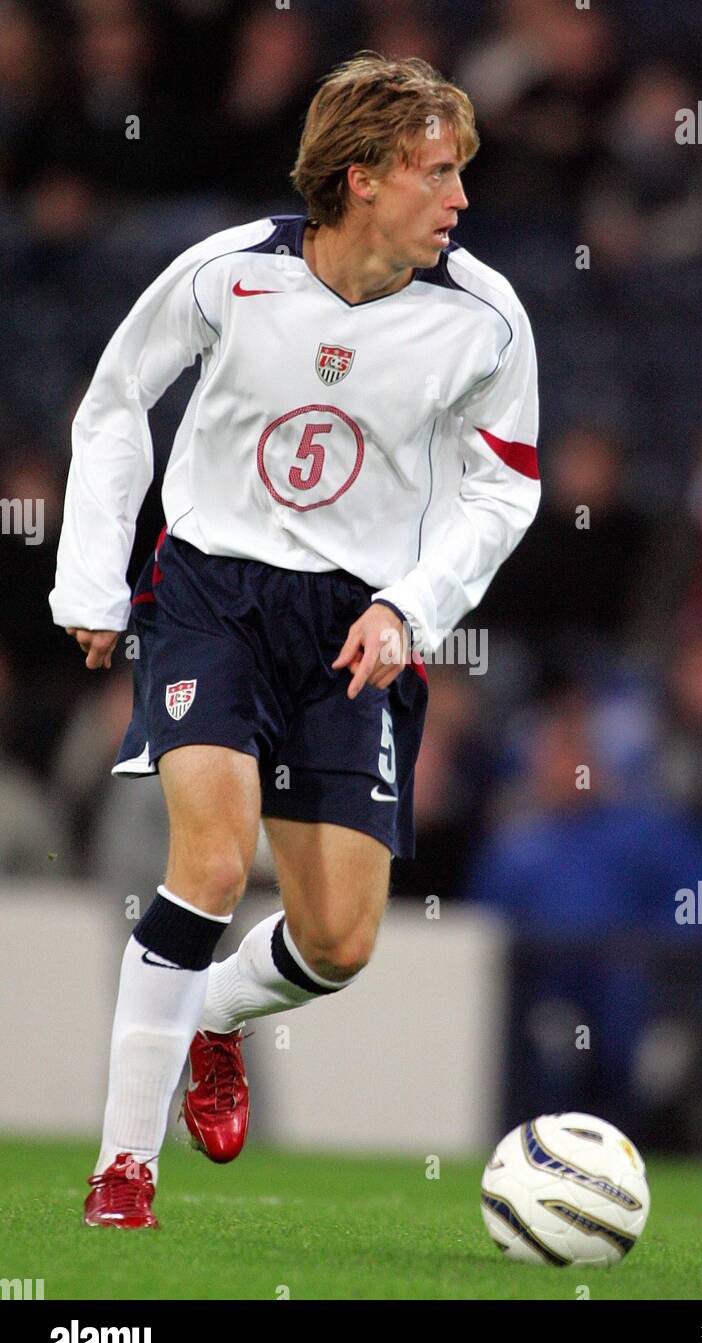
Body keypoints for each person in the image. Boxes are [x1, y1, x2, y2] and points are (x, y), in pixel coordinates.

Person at [48, 53, 540, 1228]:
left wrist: (409, 607)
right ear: (360, 178)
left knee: (339, 941)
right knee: (209, 865)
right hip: (212, 596)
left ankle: (214, 1014)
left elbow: (503, 492)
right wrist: (93, 578)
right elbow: (116, 401)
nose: (460, 198)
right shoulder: (227, 274)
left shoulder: (482, 317)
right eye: (437, 172)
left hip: (357, 625)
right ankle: (124, 1170)